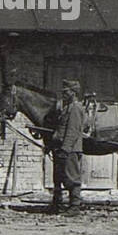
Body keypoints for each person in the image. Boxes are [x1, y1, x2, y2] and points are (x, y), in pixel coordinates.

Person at [50, 79, 86, 214]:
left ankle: (75, 206)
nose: (64, 94)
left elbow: (73, 131)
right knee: (65, 176)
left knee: (72, 177)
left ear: (74, 93)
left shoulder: (75, 108)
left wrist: (65, 148)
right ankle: (72, 204)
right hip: (65, 147)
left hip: (71, 149)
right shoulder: (67, 108)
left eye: (67, 92)